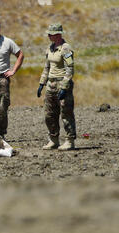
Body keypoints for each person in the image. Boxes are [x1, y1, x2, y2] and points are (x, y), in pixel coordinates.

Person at [37, 23, 76, 151]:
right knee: (49, 114)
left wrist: (64, 87)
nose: (49, 36)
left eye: (51, 34)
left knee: (66, 113)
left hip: (62, 83)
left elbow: (70, 68)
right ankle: (53, 139)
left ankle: (69, 140)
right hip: (51, 84)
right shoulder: (50, 48)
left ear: (58, 34)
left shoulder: (65, 49)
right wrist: (42, 83)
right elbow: (47, 67)